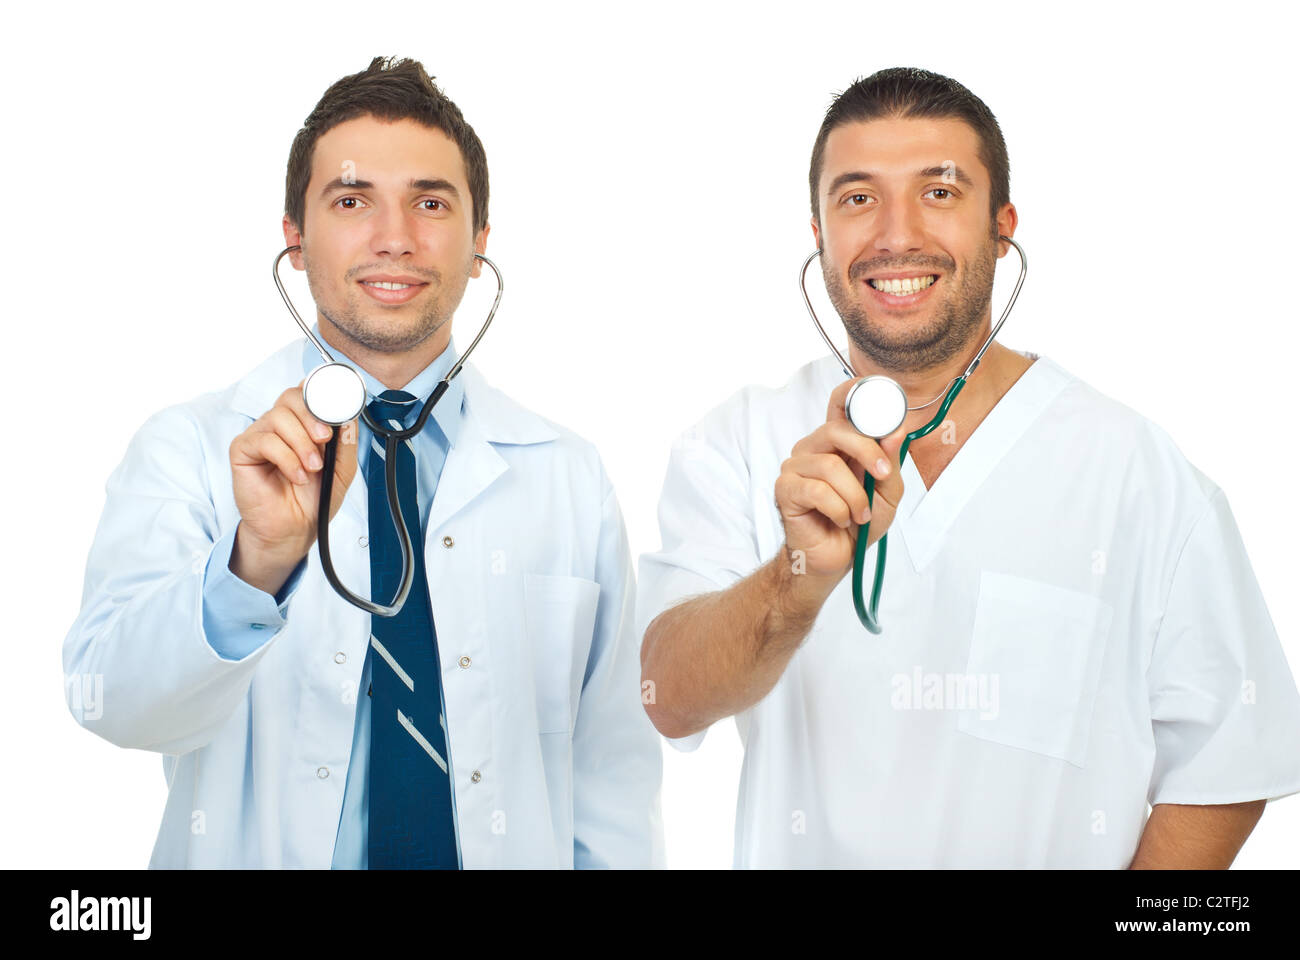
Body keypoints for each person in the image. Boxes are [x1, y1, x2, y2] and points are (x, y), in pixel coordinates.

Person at [637, 66, 1300, 869]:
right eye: (856, 198)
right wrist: (794, 579)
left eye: (940, 192)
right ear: (819, 234)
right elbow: (666, 698)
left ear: (1002, 225)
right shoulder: (736, 442)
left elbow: (1226, 761)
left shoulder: (1135, 470)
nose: (895, 234)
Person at [63, 56, 663, 869]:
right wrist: (254, 565)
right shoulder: (190, 448)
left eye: (431, 202)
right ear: (296, 238)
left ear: (480, 243)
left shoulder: (568, 476)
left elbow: (611, 776)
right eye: (352, 201)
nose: (395, 238)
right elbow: (113, 702)